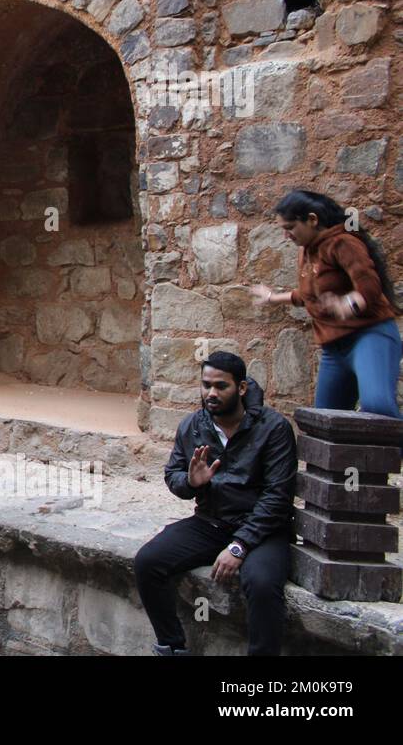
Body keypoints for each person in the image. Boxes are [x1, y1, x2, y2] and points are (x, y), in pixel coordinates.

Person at [134, 352, 296, 656]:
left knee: (261, 585)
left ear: (242, 388)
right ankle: (172, 647)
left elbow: (278, 497)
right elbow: (174, 475)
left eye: (221, 386)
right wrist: (192, 483)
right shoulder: (193, 425)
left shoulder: (273, 428)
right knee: (148, 562)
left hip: (262, 531)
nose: (211, 393)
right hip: (210, 522)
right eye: (206, 385)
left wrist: (240, 546)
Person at [250, 189, 402, 418]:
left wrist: (348, 304)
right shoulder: (306, 251)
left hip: (369, 336)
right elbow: (307, 295)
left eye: (290, 227)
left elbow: (369, 287)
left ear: (312, 220)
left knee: (378, 408)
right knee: (325, 420)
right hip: (334, 348)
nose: (286, 236)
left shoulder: (343, 242)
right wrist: (272, 297)